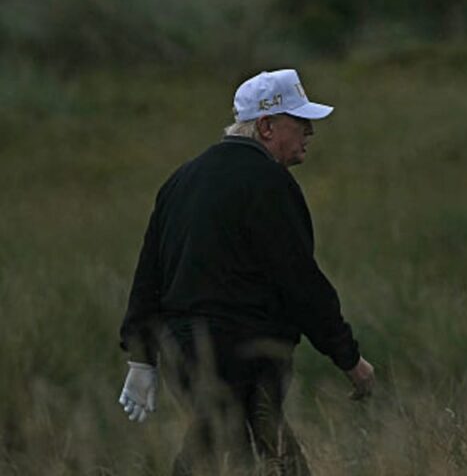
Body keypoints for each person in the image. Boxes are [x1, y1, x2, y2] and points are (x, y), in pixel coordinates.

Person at [117, 68, 374, 476]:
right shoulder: (269, 182)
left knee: (244, 451)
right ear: (267, 126)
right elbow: (300, 283)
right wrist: (349, 358)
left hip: (184, 354)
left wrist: (143, 359)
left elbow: (149, 275)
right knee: (225, 452)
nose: (310, 132)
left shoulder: (181, 180)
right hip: (245, 354)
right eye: (301, 122)